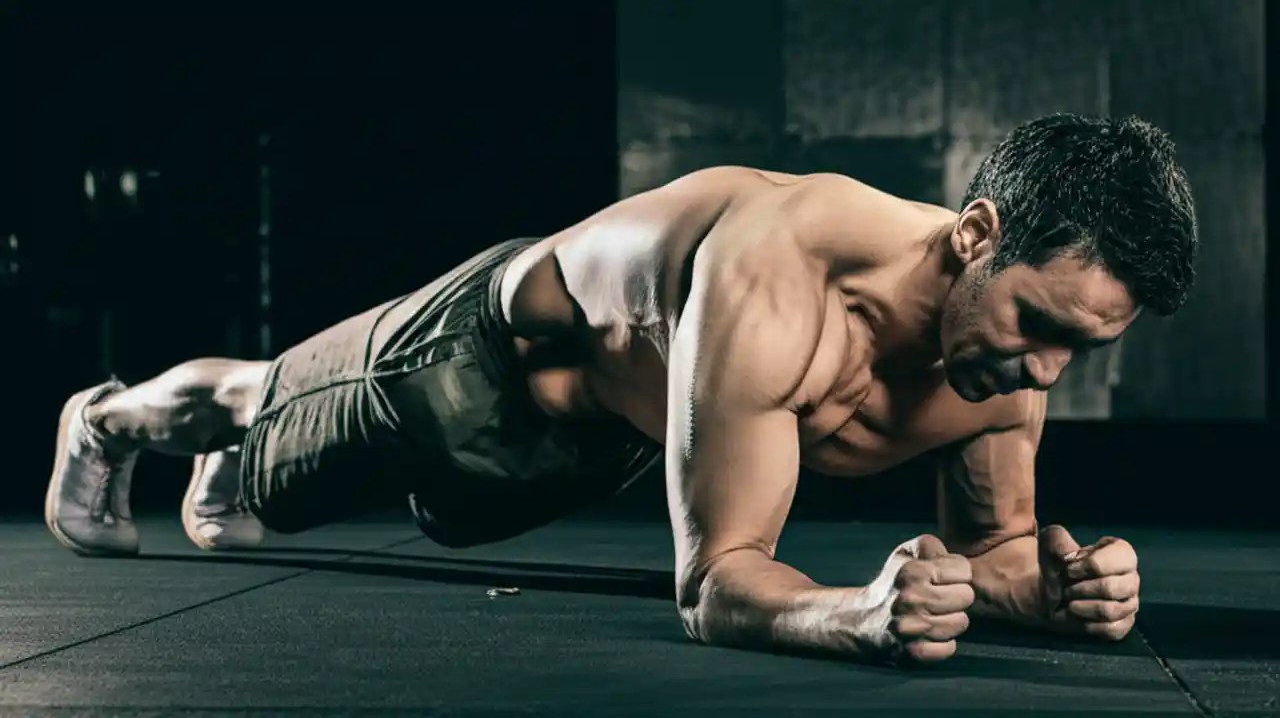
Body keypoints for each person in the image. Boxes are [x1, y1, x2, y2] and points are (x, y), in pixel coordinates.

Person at [45, 112, 1197, 665]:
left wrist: (1046, 598)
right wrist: (849, 612)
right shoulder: (776, 270)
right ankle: (103, 419)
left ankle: (226, 480)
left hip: (599, 441)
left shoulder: (1003, 373)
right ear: (976, 234)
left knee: (263, 508)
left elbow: (996, 550)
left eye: (1077, 352)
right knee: (260, 406)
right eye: (1038, 326)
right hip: (473, 362)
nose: (1042, 375)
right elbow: (713, 584)